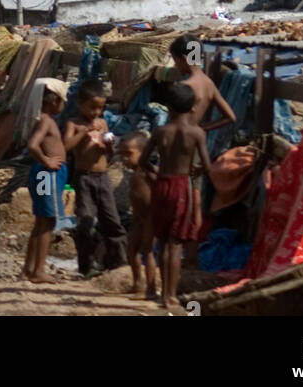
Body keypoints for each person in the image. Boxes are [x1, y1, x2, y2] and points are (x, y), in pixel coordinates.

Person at [142, 84, 213, 312]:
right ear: (193, 108)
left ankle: (162, 296)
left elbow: (144, 161)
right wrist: (199, 171)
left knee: (162, 242)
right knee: (176, 245)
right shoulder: (196, 133)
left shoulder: (160, 132)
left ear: (168, 107)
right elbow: (207, 166)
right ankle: (171, 296)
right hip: (183, 187)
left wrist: (156, 174)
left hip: (162, 184)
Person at [63, 78, 127, 277]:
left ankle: (117, 263)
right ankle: (86, 265)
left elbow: (108, 152)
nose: (96, 113)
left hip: (103, 177)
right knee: (86, 222)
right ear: (80, 103)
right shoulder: (73, 124)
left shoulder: (102, 123)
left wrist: (108, 146)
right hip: (84, 178)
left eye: (100, 108)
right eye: (92, 108)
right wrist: (83, 133)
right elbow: (66, 147)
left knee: (112, 220)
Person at [23, 79, 69, 283]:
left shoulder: (42, 119)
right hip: (47, 174)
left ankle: (29, 267)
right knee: (49, 220)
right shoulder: (46, 121)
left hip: (44, 174)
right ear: (54, 101)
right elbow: (33, 145)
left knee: (42, 219)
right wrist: (47, 161)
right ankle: (39, 270)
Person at [168, 35, 236, 132]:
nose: (175, 65)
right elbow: (230, 117)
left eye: (175, 60)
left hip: (176, 142)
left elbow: (173, 122)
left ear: (183, 58)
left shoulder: (184, 87)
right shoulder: (209, 83)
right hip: (194, 142)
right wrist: (200, 129)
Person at [120, 133, 157, 300]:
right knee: (131, 250)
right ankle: (137, 283)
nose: (124, 158)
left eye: (129, 154)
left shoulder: (147, 171)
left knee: (147, 251)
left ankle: (150, 289)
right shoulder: (135, 172)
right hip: (138, 218)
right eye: (122, 154)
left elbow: (159, 184)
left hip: (150, 217)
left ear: (143, 153)